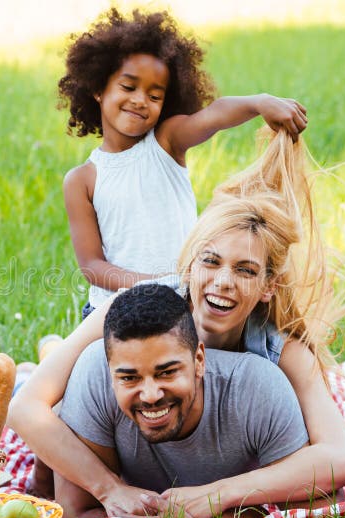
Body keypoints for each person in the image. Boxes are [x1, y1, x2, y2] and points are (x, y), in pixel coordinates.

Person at [9, 128, 345, 518]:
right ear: (190, 264)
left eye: (245, 270)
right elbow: (25, 409)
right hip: (118, 421)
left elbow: (339, 457)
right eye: (210, 262)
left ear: (268, 287)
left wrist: (221, 492)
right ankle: (41, 360)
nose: (223, 281)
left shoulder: (280, 354)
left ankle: (48, 354)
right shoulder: (142, 307)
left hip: (205, 456)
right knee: (57, 407)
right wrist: (111, 488)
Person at [59, 8, 307, 318]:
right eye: (128, 87)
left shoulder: (166, 141)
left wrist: (258, 102)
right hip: (113, 312)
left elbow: (214, 115)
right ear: (98, 88)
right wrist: (157, 286)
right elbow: (93, 266)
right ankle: (42, 361)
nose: (140, 100)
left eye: (155, 95)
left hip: (185, 306)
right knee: (84, 365)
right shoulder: (81, 180)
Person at [55, 284, 310, 518]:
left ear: (199, 359)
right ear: (109, 373)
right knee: (50, 433)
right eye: (129, 378)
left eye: (166, 372)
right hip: (80, 408)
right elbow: (73, 516)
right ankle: (42, 358)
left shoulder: (257, 388)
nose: (151, 395)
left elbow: (319, 507)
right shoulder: (94, 373)